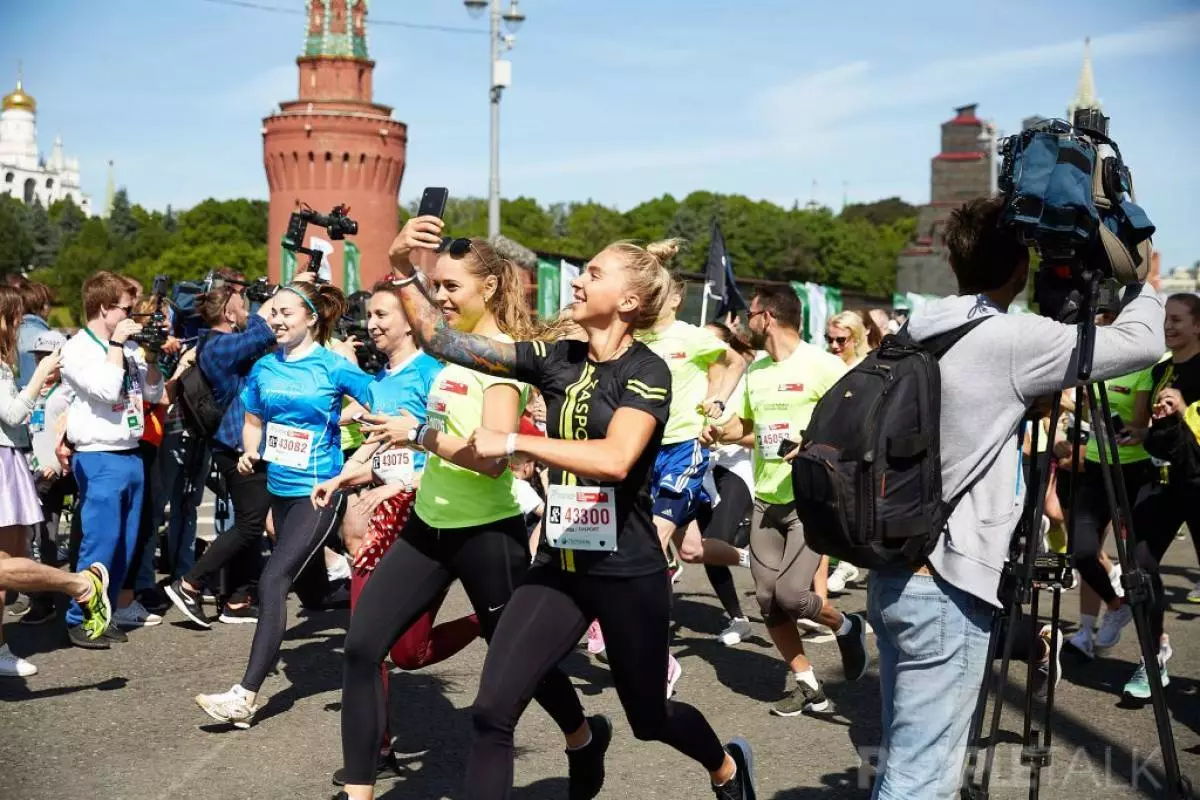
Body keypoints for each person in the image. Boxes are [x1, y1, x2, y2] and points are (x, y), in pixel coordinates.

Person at [388, 217, 757, 800]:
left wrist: (516, 442)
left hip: (627, 571)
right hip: (559, 564)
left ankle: (726, 768)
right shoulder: (554, 356)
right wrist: (405, 266)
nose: (578, 282)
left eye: (592, 273)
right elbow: (444, 341)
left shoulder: (647, 372)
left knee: (649, 718)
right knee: (491, 710)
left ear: (629, 300)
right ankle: (583, 741)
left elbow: (614, 459)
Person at [866, 195, 1163, 799]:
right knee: (920, 780)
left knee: (909, 753)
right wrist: (1144, 279)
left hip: (893, 567)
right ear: (1021, 269)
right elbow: (1137, 345)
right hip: (947, 581)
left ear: (955, 261)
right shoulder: (1009, 339)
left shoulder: (919, 327)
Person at [333, 233, 595, 800]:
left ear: (491, 287)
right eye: (440, 286)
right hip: (428, 526)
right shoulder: (451, 346)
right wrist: (402, 257)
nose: (443, 297)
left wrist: (419, 435)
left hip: (487, 536)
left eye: (453, 287)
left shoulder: (499, 359)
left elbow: (491, 460)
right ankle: (359, 793)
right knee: (360, 648)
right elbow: (417, 307)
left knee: (525, 665)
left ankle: (580, 736)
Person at [312, 279, 481, 789]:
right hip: (377, 512)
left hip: (422, 510)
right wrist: (344, 477)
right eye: (371, 314)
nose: (373, 323)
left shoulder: (435, 375)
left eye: (383, 314)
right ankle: (375, 747)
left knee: (410, 653)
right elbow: (376, 448)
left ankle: (487, 617)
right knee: (365, 641)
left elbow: (442, 450)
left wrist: (392, 488)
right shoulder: (379, 379)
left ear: (411, 319)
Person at [193, 279, 373, 729]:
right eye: (272, 312)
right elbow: (253, 421)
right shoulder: (264, 368)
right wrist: (252, 451)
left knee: (274, 578)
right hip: (280, 490)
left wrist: (358, 453)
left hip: (320, 490)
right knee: (315, 593)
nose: (275, 320)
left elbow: (382, 404)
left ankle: (244, 696)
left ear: (311, 318)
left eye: (286, 313)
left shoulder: (333, 367)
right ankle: (385, 614)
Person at [706, 286, 869, 717]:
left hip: (810, 499)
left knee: (793, 596)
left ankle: (848, 625)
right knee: (766, 599)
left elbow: (857, 424)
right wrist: (717, 430)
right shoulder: (757, 371)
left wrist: (813, 444)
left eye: (750, 313)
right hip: (765, 499)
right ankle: (809, 684)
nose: (745, 322)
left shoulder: (823, 366)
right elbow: (746, 424)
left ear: (769, 317)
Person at [60, 271, 165, 649]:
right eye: (126, 309)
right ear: (104, 308)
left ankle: (103, 612)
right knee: (100, 543)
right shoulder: (77, 349)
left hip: (130, 452)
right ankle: (79, 617)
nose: (132, 317)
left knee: (125, 543)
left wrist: (150, 358)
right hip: (99, 454)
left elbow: (153, 391)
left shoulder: (129, 347)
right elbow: (106, 390)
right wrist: (118, 347)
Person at [166, 276, 279, 627]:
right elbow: (264, 334)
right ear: (230, 314)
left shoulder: (225, 343)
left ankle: (238, 600)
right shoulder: (216, 346)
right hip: (233, 444)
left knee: (252, 521)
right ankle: (190, 584)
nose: (247, 311)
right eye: (242, 305)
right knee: (249, 523)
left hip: (241, 442)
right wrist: (265, 305)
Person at [1054, 304, 1157, 661]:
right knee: (1081, 552)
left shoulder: (1143, 365)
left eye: (1106, 319)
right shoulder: (1094, 363)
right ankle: (1113, 609)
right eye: (1100, 319)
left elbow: (1139, 424)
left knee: (1142, 565)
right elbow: (1089, 414)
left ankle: (1156, 649)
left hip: (1134, 471)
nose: (1100, 324)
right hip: (1096, 468)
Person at [1121, 292, 1200, 700]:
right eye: (1165, 319)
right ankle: (1154, 656)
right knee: (1139, 566)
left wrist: (1184, 409)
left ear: (1198, 325)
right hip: (1165, 482)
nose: (1168, 326)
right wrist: (1139, 432)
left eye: (1177, 320)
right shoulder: (1161, 372)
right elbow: (1158, 437)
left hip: (1198, 484)